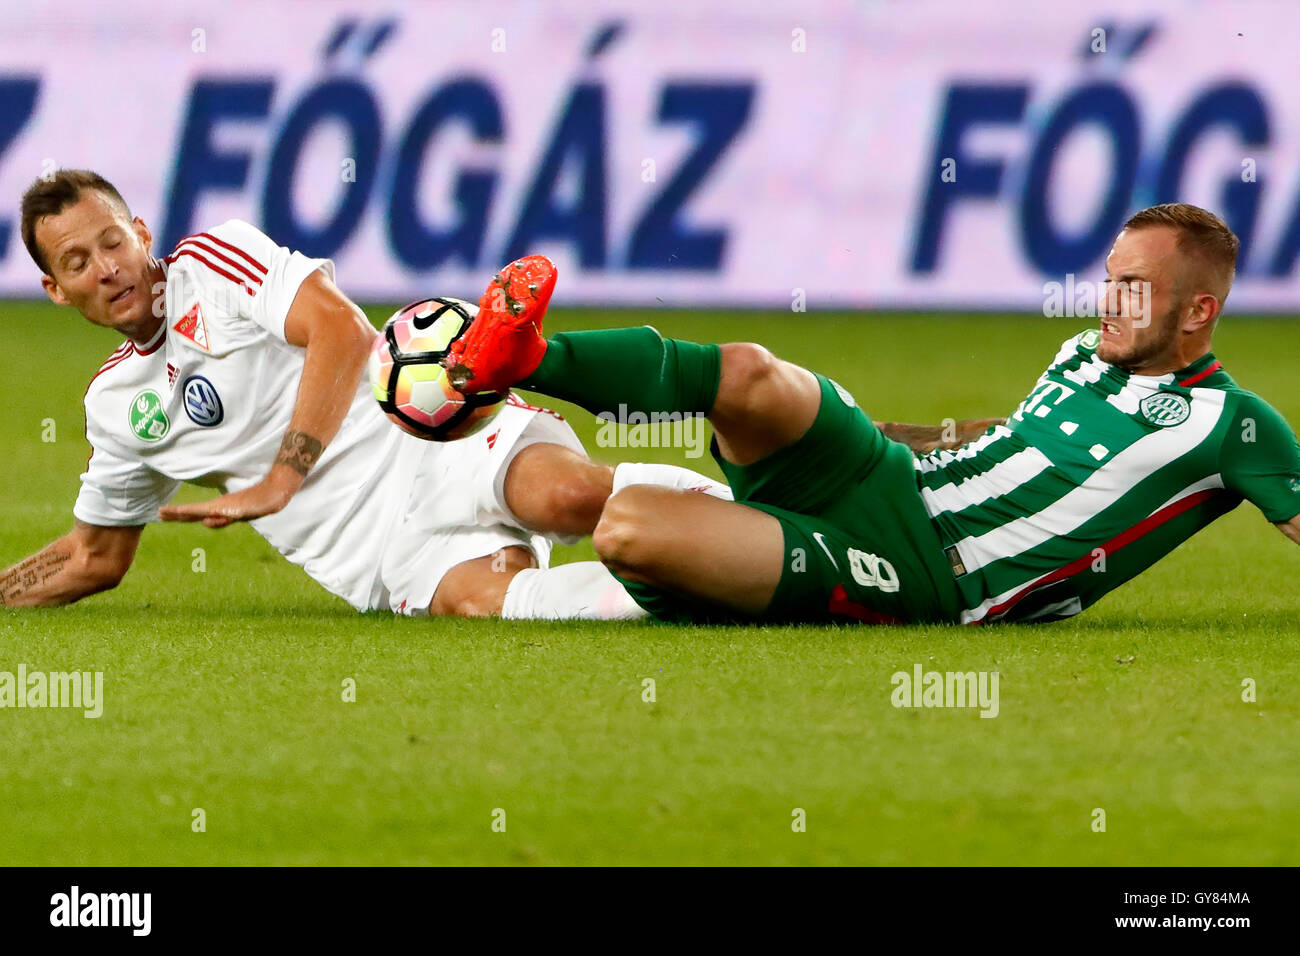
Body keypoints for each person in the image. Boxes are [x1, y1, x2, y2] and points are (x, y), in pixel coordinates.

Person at [446, 203, 1300, 625]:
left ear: (1197, 313)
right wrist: (862, 431)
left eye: (1134, 288)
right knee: (750, 377)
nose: (1107, 299)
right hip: (890, 477)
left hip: (934, 568)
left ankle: (739, 548)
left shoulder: (1234, 426)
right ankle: (525, 359)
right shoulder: (1084, 350)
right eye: (1109, 277)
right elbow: (1003, 440)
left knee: (629, 528)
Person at [0, 169, 740, 619]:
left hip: (434, 439)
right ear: (55, 290)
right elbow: (95, 557)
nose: (105, 268)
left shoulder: (213, 262)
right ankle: (718, 601)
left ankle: (785, 532)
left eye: (111, 243)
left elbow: (342, 331)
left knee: (569, 498)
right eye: (77, 261)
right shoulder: (113, 404)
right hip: (384, 551)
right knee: (489, 603)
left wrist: (281, 479)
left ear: (140, 232)